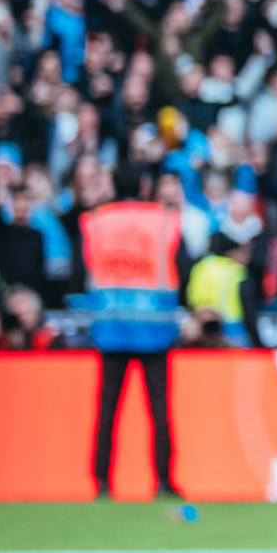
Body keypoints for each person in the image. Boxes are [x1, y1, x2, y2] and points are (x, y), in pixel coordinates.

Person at [77, 166, 183, 500]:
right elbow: (182, 263)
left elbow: (86, 269)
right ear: (143, 184)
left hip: (110, 327)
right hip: (154, 329)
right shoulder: (164, 220)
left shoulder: (94, 221)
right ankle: (164, 482)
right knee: (159, 408)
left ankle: (102, 483)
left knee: (108, 407)